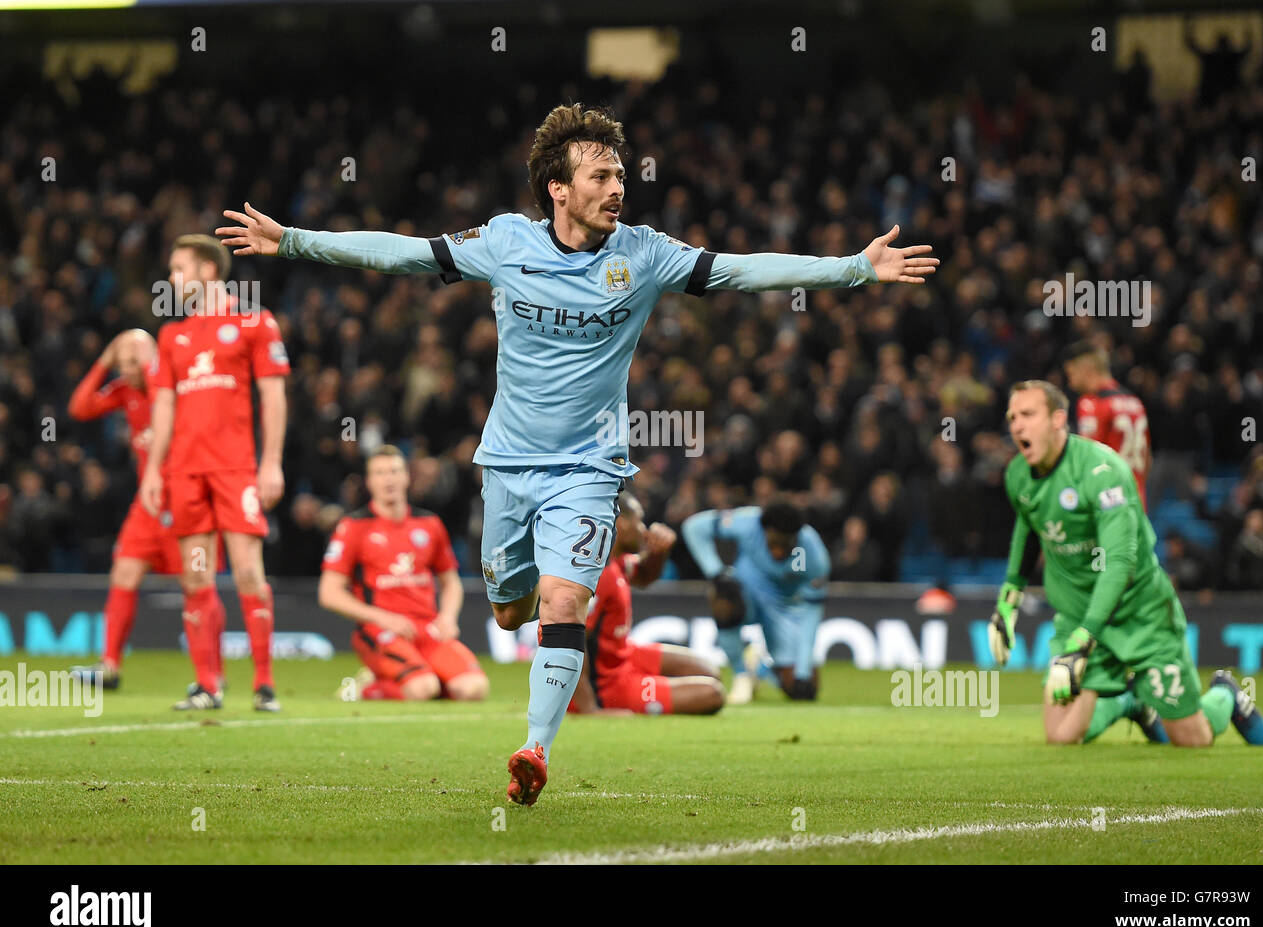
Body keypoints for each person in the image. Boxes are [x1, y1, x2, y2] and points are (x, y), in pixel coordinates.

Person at [216, 102, 937, 804]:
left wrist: (853, 268)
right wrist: (295, 240)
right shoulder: (505, 242)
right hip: (507, 463)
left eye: (620, 173)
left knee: (565, 600)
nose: (616, 187)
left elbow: (744, 270)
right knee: (508, 611)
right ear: (557, 187)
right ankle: (521, 618)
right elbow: (406, 254)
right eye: (598, 176)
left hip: (591, 470)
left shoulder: (645, 255)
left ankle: (534, 748)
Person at [987, 380, 1263, 747]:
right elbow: (1029, 525)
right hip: (1078, 612)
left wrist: (1083, 639)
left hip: (1139, 611)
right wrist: (1009, 601)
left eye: (1027, 414)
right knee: (1060, 735)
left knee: (1191, 739)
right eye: (1012, 417)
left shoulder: (1103, 471)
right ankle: (1129, 701)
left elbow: (1119, 564)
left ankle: (1225, 696)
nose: (1016, 426)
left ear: (1058, 419)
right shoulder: (1018, 476)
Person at [139, 235, 290, 712]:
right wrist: (153, 472)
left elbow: (273, 396)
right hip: (185, 473)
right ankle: (208, 684)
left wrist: (271, 462)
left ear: (207, 270)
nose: (172, 279)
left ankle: (263, 684)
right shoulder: (172, 336)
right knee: (196, 577)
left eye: (178, 269)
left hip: (235, 469)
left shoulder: (254, 321)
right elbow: (162, 409)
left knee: (247, 572)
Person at [67, 330, 188, 690]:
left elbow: (159, 384)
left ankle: (211, 675)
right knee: (123, 574)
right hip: (147, 504)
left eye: (133, 363)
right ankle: (110, 666)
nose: (127, 371)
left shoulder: (170, 387)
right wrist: (105, 360)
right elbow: (78, 407)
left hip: (183, 500)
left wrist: (148, 361)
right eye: (122, 365)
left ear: (152, 361)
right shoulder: (124, 392)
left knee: (196, 585)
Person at [318, 445, 486, 701]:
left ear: (407, 477)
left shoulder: (429, 524)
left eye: (395, 471)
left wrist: (448, 618)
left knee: (474, 689)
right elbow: (329, 593)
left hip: (426, 629)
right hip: (379, 631)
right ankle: (365, 690)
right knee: (423, 689)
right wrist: (381, 618)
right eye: (380, 473)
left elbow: (451, 582)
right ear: (369, 481)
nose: (389, 479)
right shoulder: (354, 527)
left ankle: (403, 677)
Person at [568, 491, 723, 716]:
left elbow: (644, 577)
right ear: (620, 523)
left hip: (623, 655)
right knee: (712, 694)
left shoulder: (616, 563)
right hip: (608, 684)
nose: (643, 529)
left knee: (710, 671)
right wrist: (589, 707)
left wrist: (659, 552)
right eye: (638, 521)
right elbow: (575, 639)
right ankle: (612, 698)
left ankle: (647, 685)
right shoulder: (598, 574)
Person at [681, 498, 830, 704]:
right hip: (745, 594)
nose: (778, 551)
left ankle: (759, 668)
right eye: (773, 543)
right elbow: (693, 527)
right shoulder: (748, 522)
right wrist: (716, 572)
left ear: (796, 537)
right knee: (723, 595)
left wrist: (803, 671)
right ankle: (741, 674)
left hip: (784, 608)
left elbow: (811, 615)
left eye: (784, 545)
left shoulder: (813, 554)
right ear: (764, 531)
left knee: (803, 691)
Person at [1062, 341, 1151, 508]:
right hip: (1137, 501)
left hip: (1109, 503)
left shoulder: (1092, 403)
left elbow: (1088, 458)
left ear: (1086, 370)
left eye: (1071, 374)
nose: (1070, 382)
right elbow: (1147, 459)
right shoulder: (1134, 402)